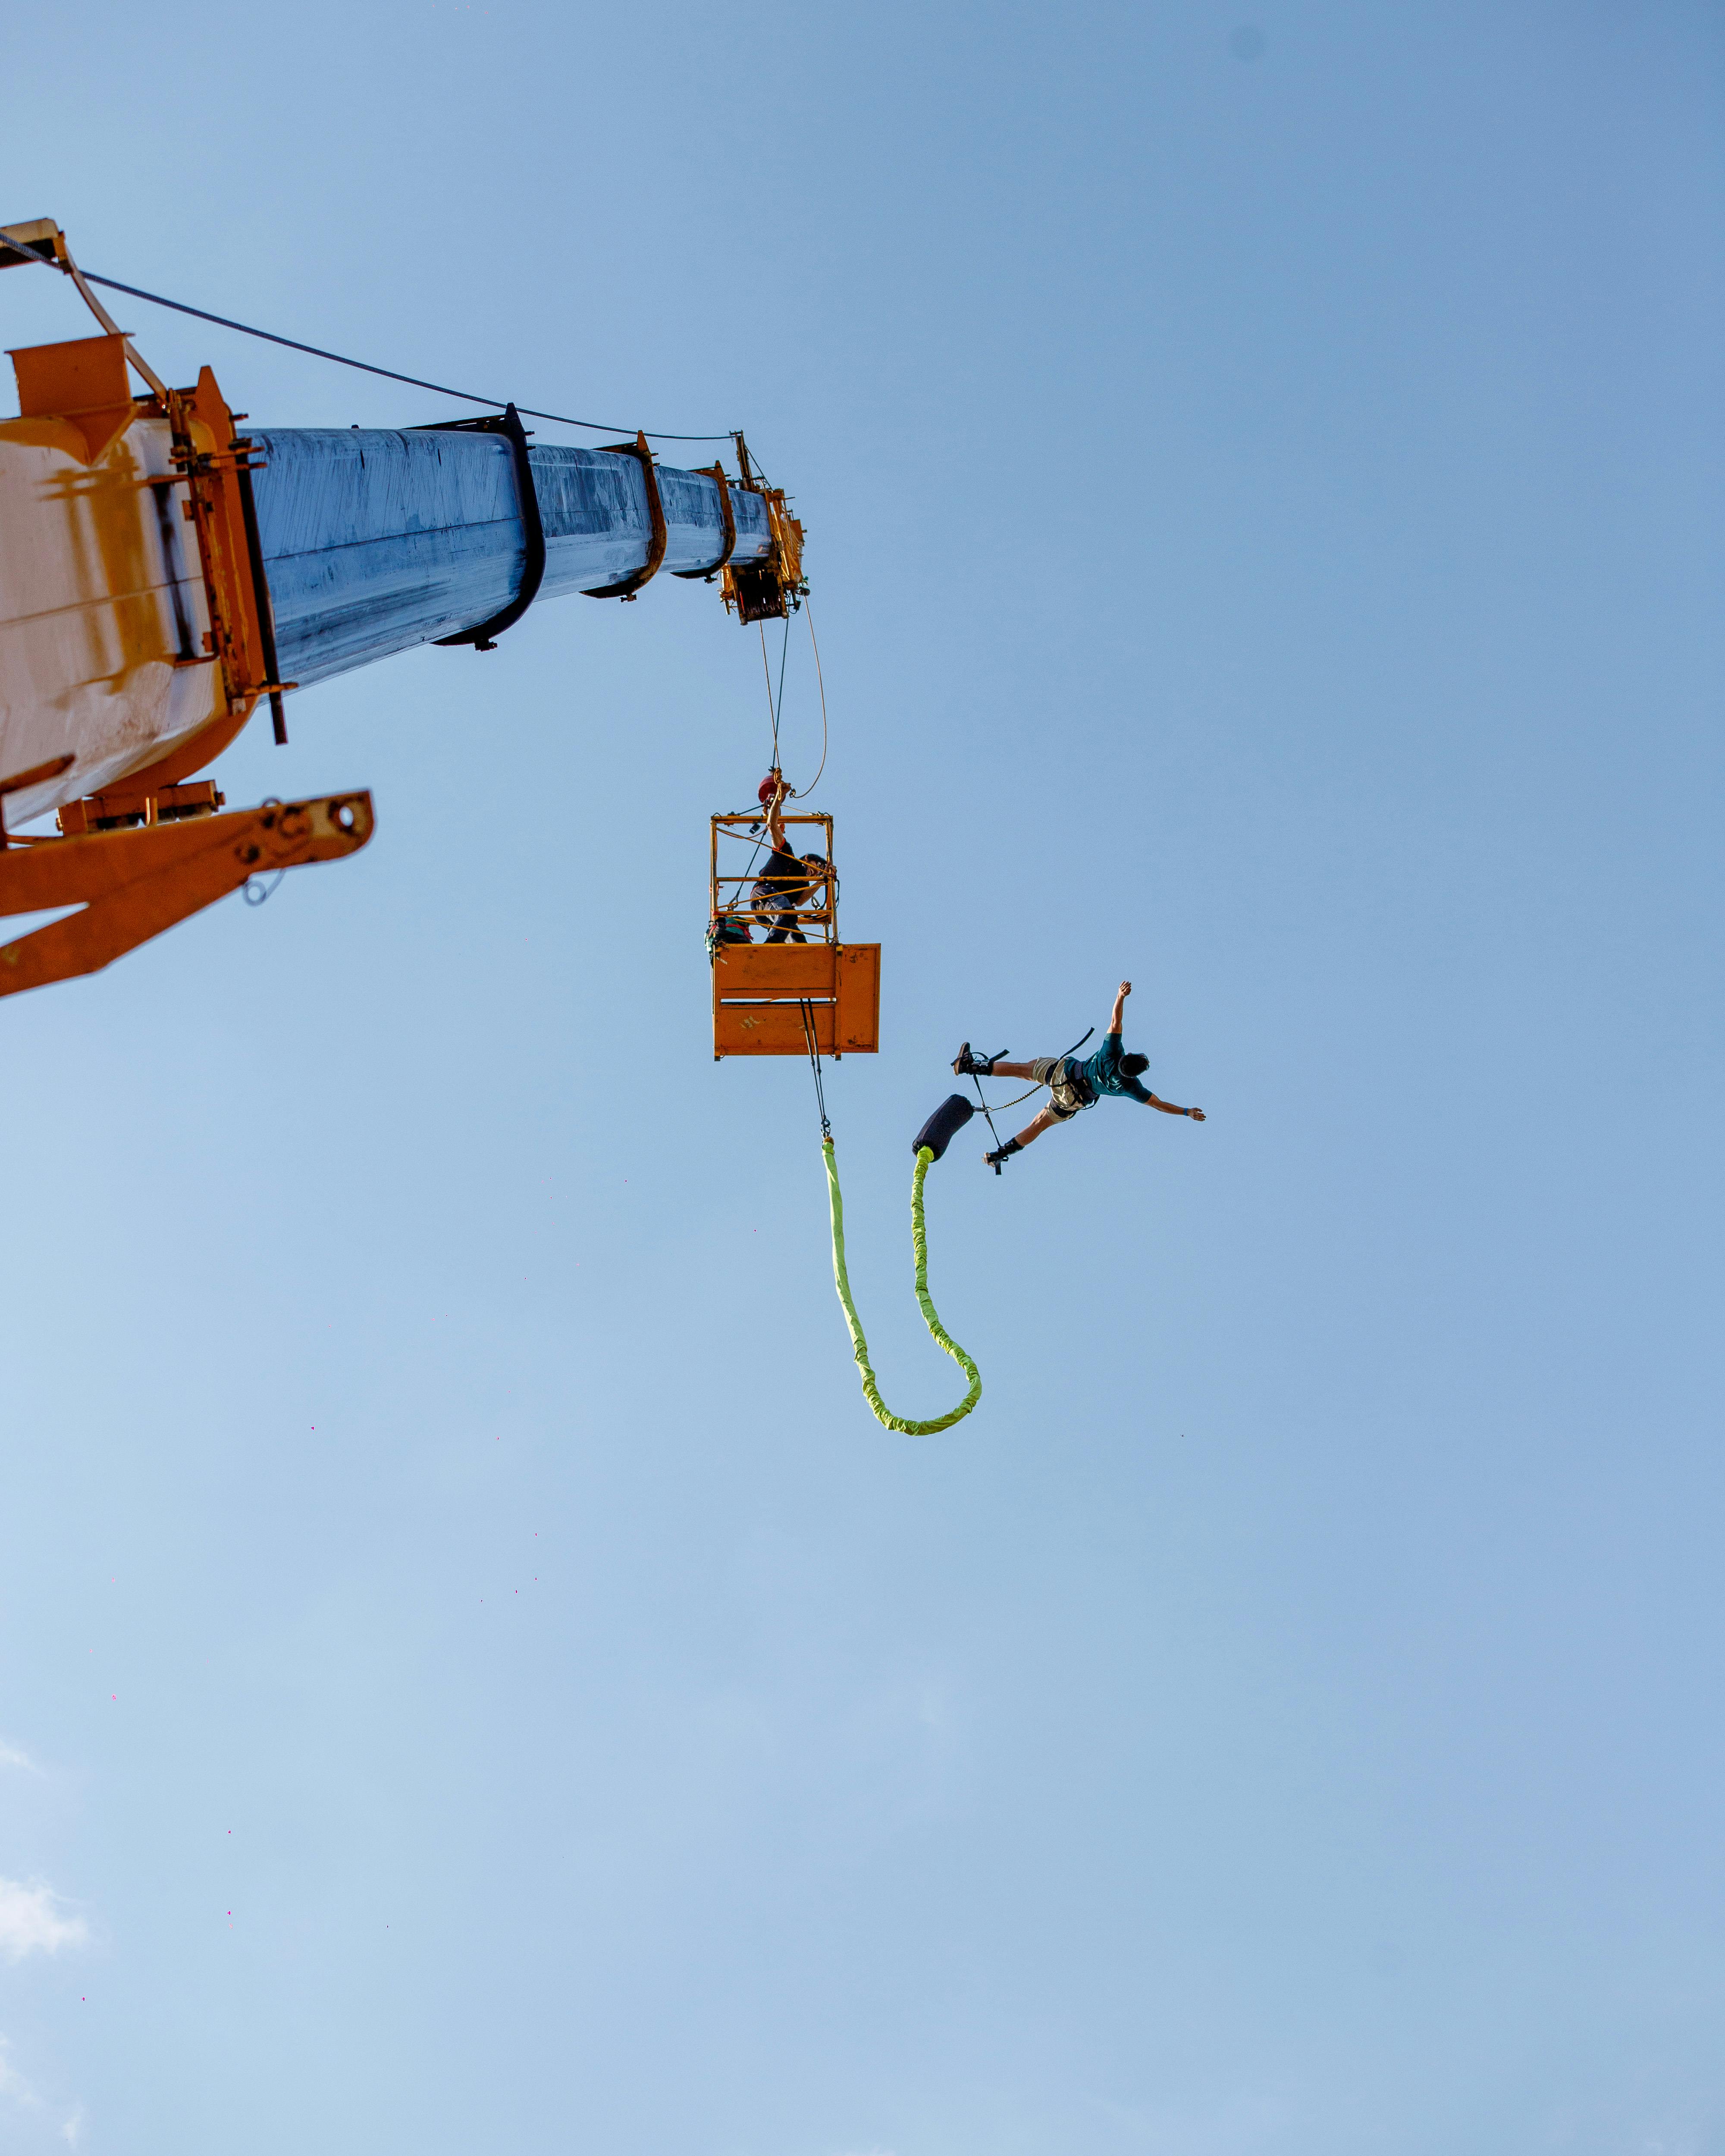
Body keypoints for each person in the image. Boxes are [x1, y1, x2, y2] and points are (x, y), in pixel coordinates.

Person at [953, 981, 1204, 1168]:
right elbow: (1158, 1105)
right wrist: (1186, 1112)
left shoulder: (1112, 1052)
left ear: (1126, 1057)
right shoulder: (1130, 1087)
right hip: (1074, 1101)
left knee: (1023, 1071)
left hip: (1063, 1073)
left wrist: (1120, 997)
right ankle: (1000, 1154)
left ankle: (970, 1066)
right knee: (1039, 1124)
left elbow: (1116, 1022)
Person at [750, 768, 828, 943]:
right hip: (765, 895)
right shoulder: (788, 855)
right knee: (787, 913)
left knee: (798, 938)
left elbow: (800, 901)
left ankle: (801, 964)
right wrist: (779, 795)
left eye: (819, 871)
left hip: (774, 910)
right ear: (806, 860)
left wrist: (822, 881)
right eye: (817, 867)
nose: (815, 872)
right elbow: (772, 824)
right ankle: (770, 949)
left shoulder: (803, 883)